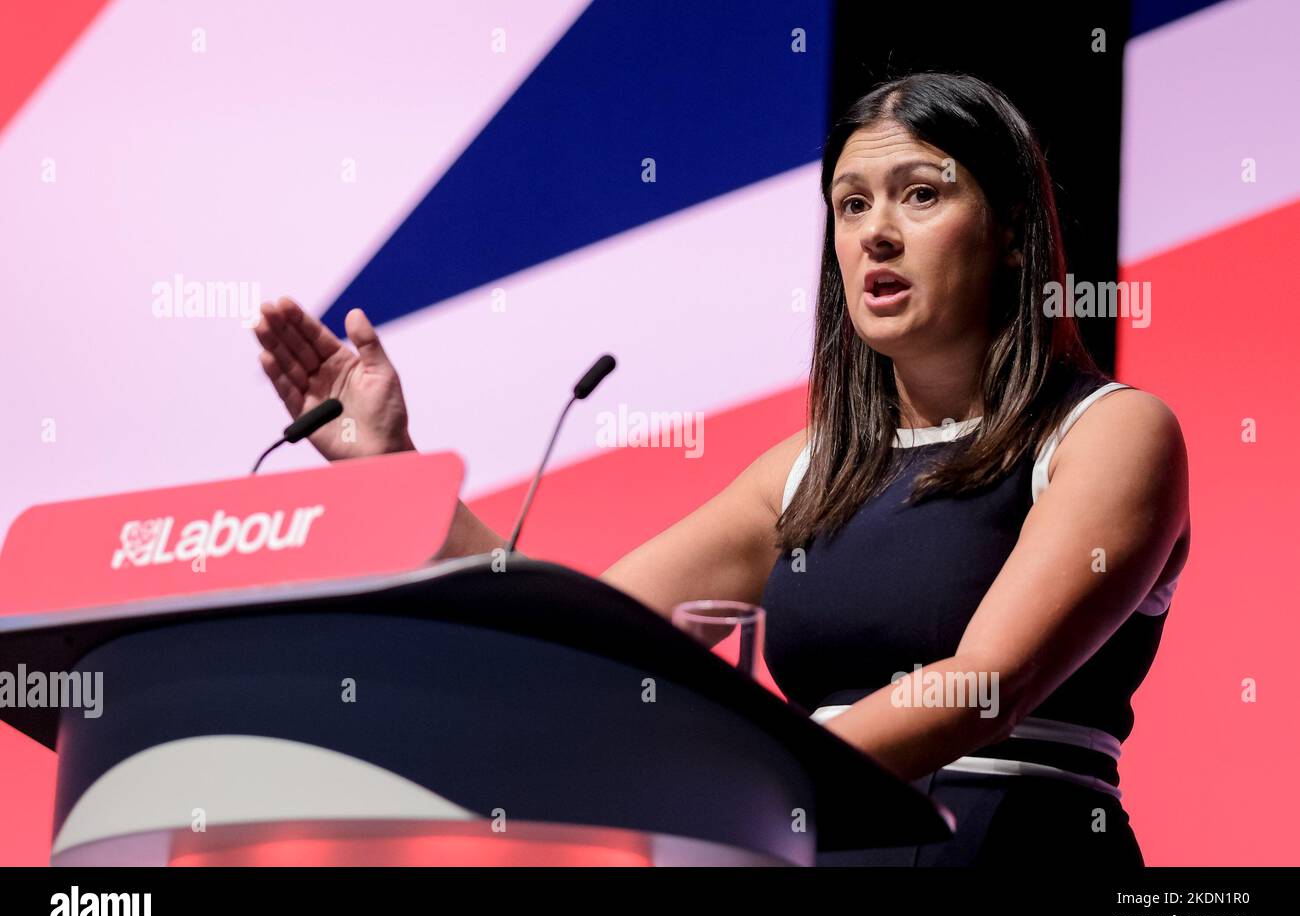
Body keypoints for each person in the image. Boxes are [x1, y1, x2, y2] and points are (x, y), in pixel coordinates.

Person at [252, 72, 1190, 866]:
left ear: (1014, 230)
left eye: (920, 194)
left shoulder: (1111, 432)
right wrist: (393, 470)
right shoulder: (809, 471)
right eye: (852, 204)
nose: (876, 232)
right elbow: (586, 638)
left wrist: (748, 779)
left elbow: (985, 686)